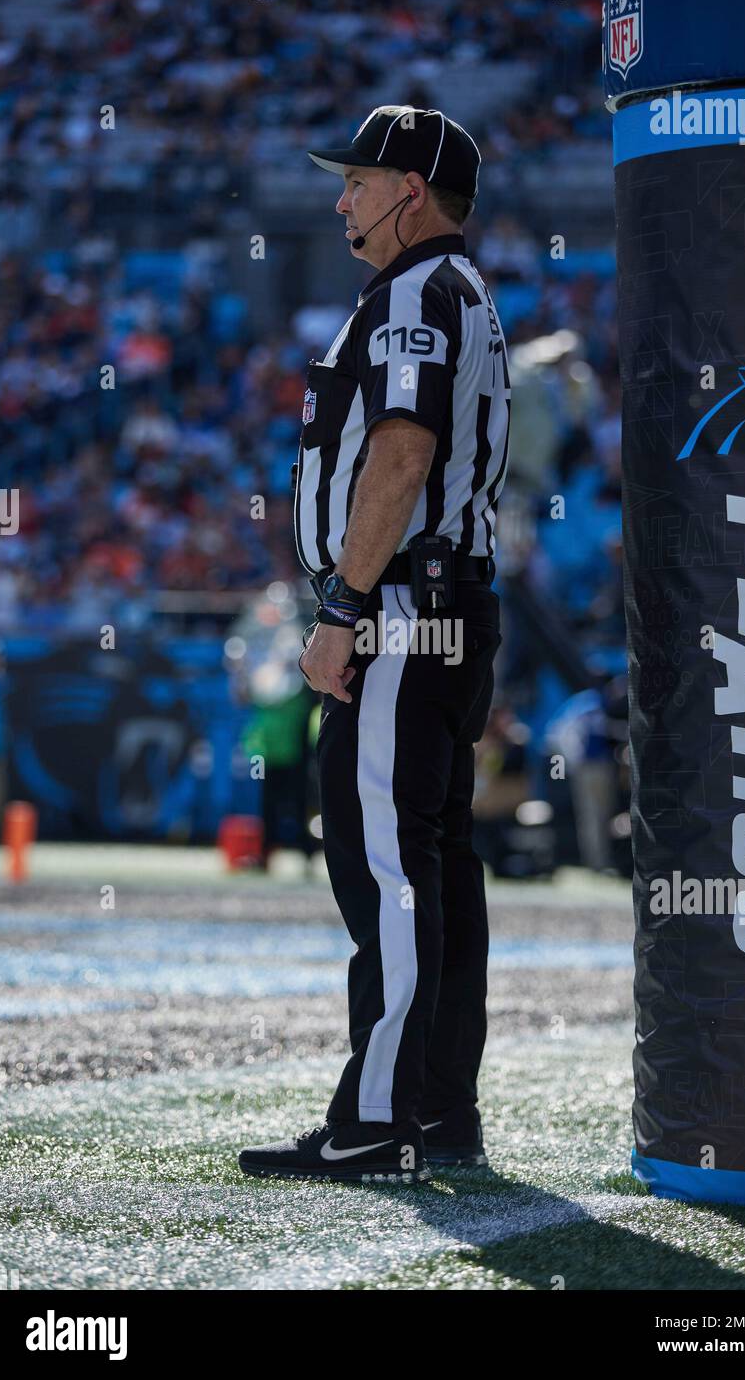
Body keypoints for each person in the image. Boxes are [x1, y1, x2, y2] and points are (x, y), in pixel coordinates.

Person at [239, 106, 511, 1184]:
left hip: (399, 611)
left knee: (387, 864)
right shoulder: (465, 296)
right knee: (435, 862)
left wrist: (342, 608)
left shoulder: (410, 298)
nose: (340, 198)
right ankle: (437, 1110)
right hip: (445, 608)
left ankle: (381, 1113)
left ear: (409, 188)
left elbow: (399, 455)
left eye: (356, 180)